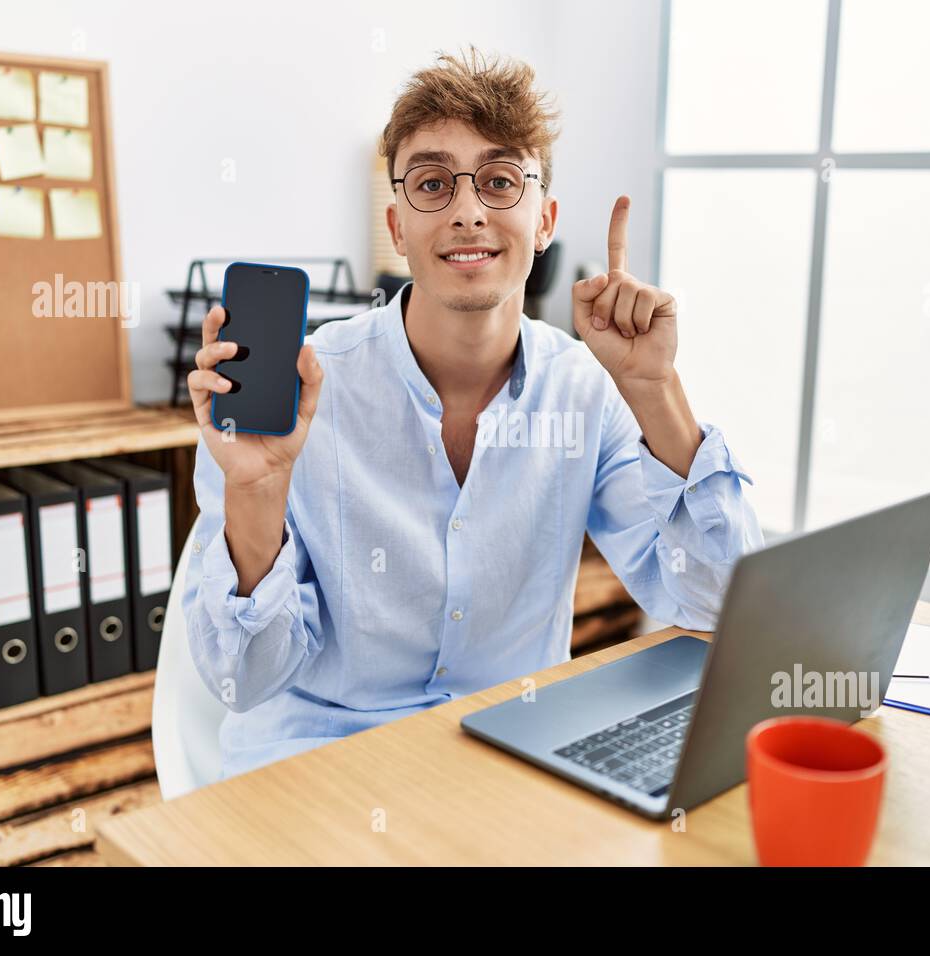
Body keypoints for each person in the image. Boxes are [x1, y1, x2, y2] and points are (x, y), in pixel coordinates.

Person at [182, 48, 763, 779]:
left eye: (498, 181)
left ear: (544, 219)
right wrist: (256, 492)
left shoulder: (586, 391)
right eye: (432, 184)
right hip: (323, 764)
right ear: (397, 229)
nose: (466, 211)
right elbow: (245, 679)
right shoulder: (296, 393)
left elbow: (718, 605)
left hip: (509, 760)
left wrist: (655, 389)